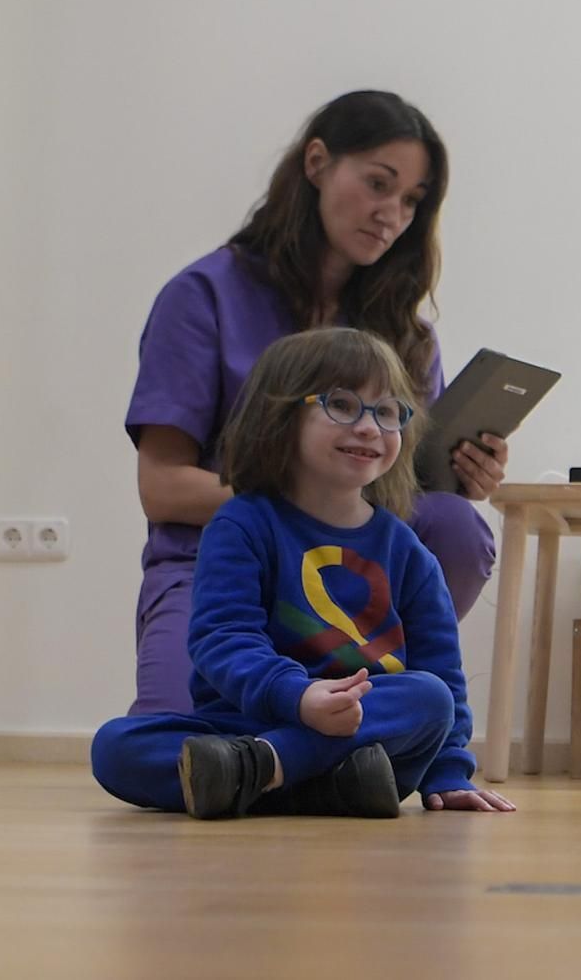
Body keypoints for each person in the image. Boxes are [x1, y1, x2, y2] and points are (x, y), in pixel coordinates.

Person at [127, 90, 504, 716]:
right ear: (317, 163)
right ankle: (322, 732)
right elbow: (162, 487)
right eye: (379, 184)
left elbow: (407, 491)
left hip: (355, 574)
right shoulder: (201, 297)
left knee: (458, 523)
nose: (393, 214)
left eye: (412, 201)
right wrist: (301, 511)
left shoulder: (407, 337)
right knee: (170, 746)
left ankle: (345, 708)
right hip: (218, 562)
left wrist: (465, 476)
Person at [93, 328, 514, 818]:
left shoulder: (409, 552)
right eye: (342, 404)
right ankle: (303, 783)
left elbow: (443, 673)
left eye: (386, 411)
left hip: (365, 737)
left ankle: (258, 773)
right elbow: (223, 639)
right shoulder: (241, 524)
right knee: (115, 746)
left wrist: (447, 772)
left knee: (428, 697)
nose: (369, 427)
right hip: (250, 725)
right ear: (280, 417)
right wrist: (298, 696)